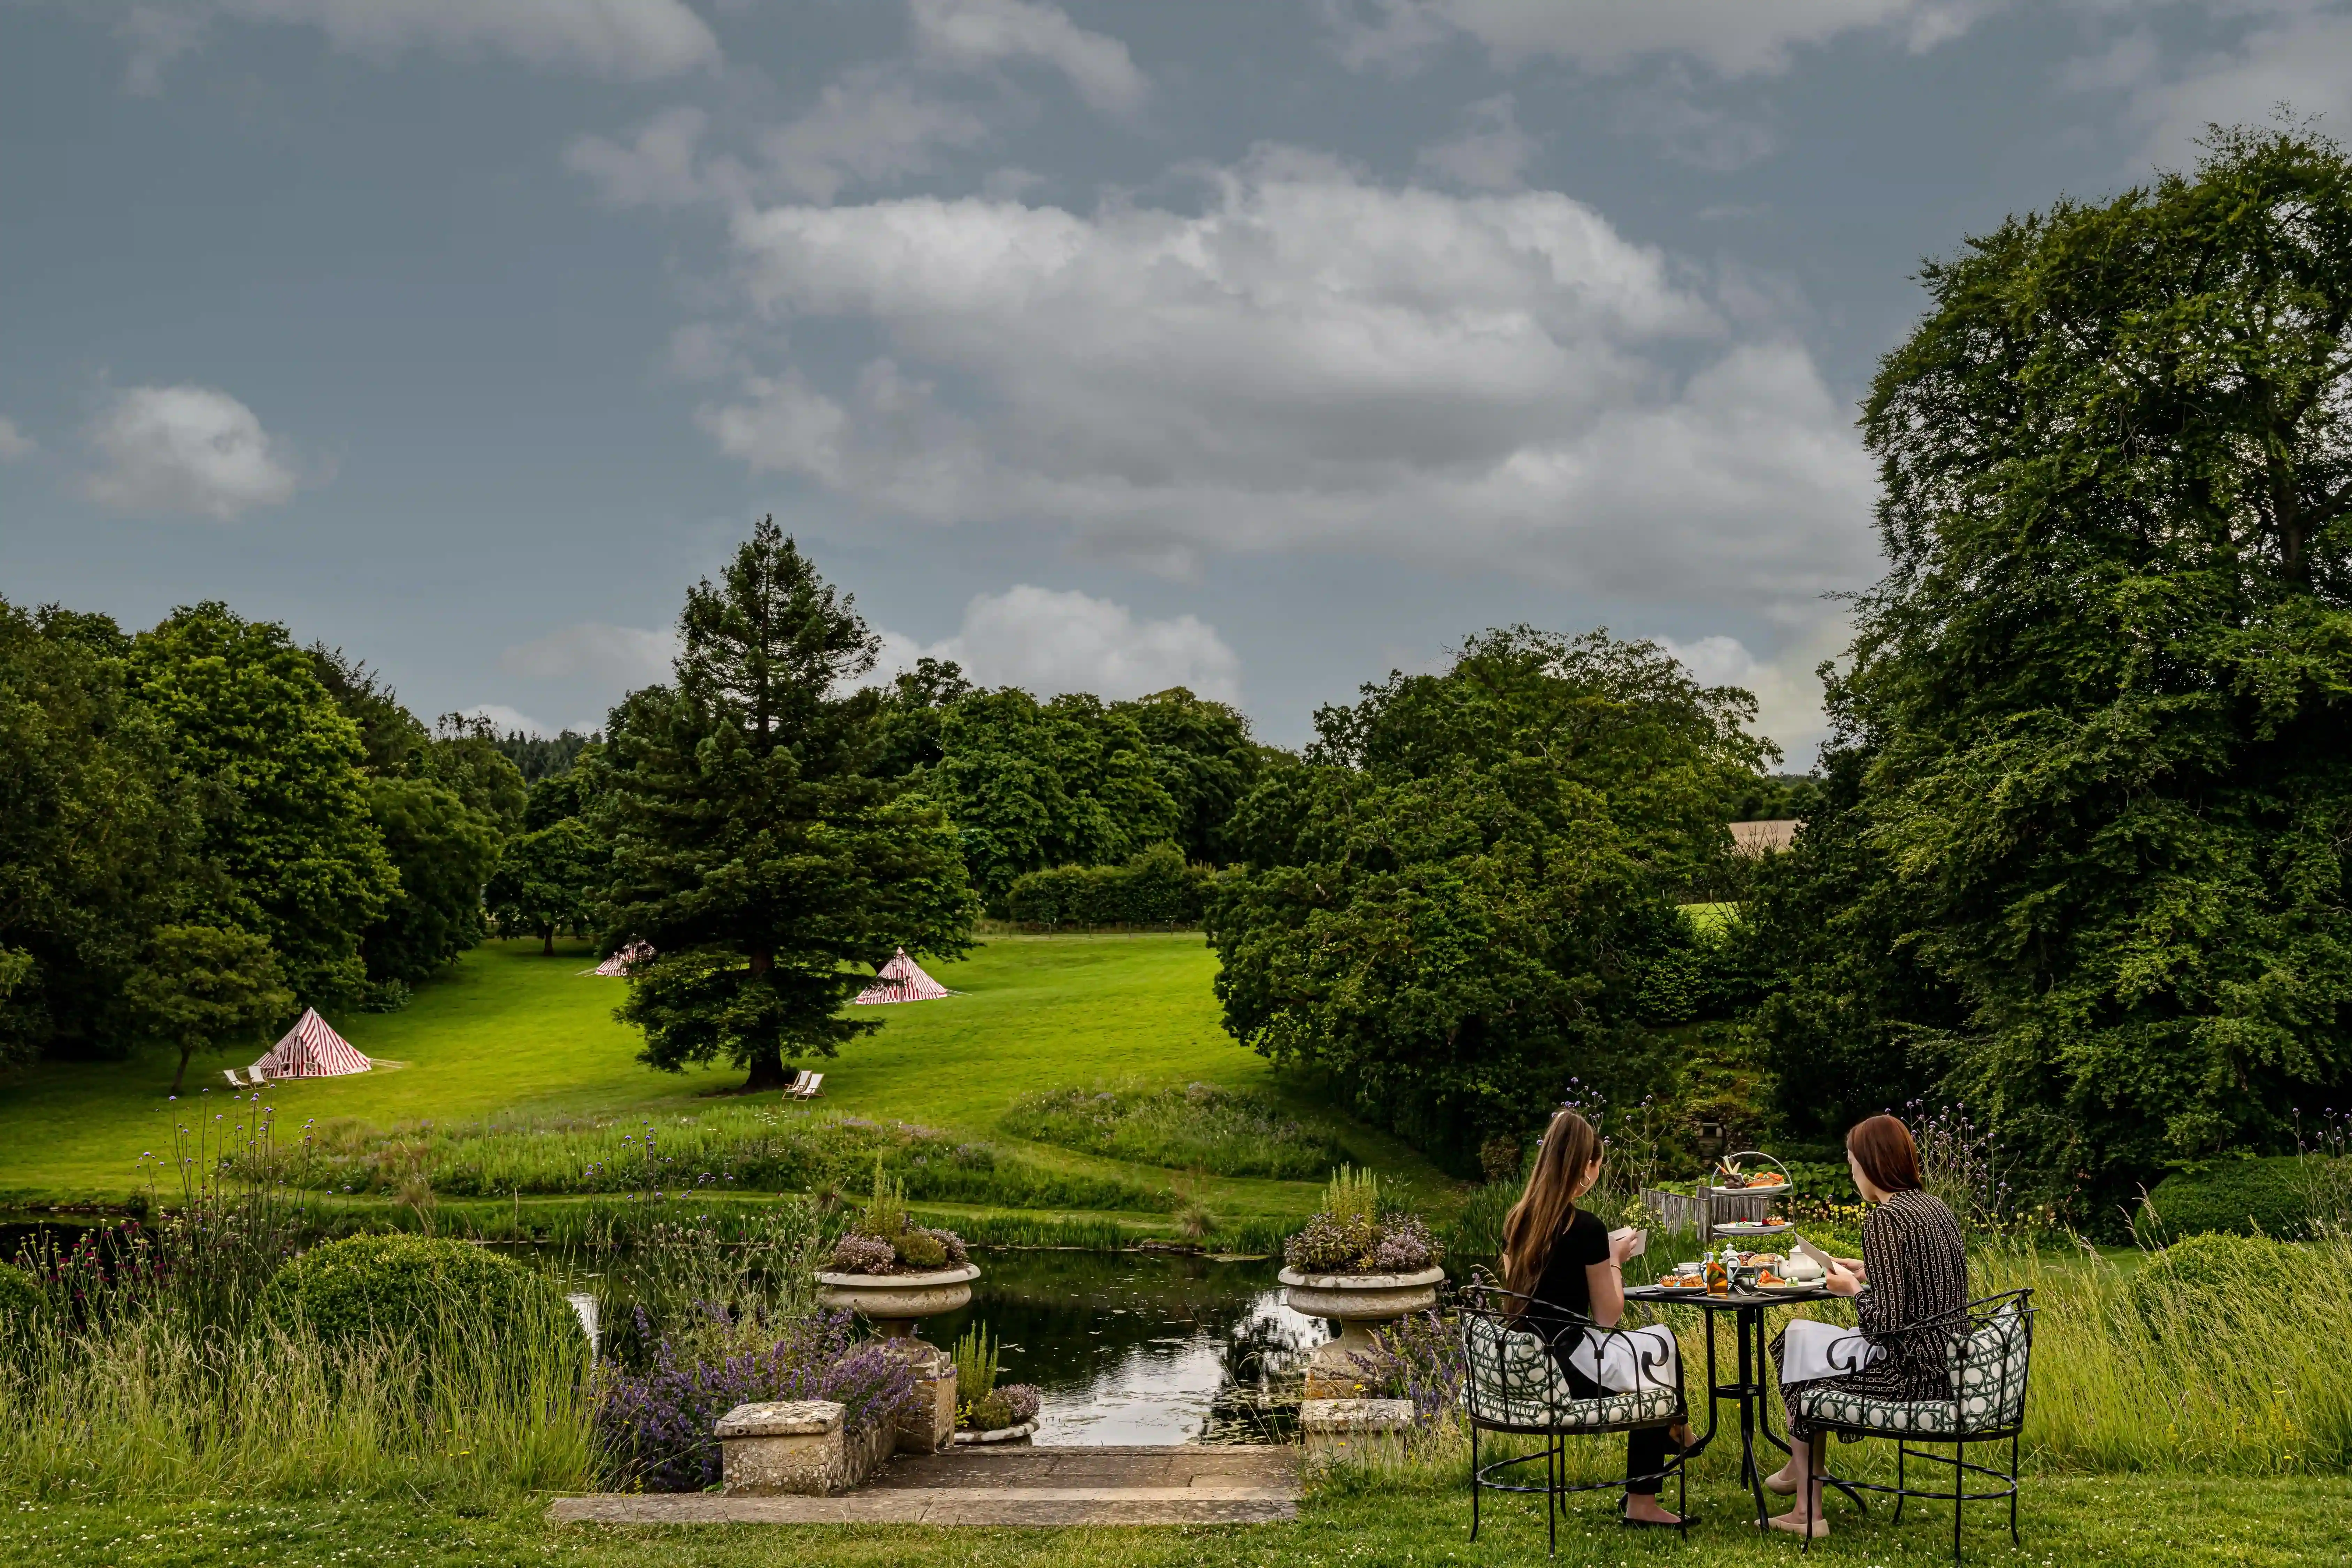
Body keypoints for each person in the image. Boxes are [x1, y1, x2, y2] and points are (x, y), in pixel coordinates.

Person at [1763, 1113, 1968, 1538]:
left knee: (1800, 1370)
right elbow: (1920, 1290)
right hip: (1949, 1362)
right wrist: (1872, 1271)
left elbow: (1886, 1326)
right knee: (1797, 1338)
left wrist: (1853, 1290)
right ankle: (1803, 1473)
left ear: (1872, 1164)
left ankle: (1807, 1509)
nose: (1853, 1173)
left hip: (1914, 1377)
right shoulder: (1934, 1208)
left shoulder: (1885, 1220)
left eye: (1853, 1163)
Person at [1501, 1107, 1693, 1528]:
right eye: (1598, 1166)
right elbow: (1608, 1316)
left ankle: (1676, 1430)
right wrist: (1616, 1259)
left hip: (1524, 1363)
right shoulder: (1585, 1228)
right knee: (1659, 1351)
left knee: (1649, 1353)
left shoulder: (1518, 1220)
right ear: (1586, 1167)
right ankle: (1654, 1476)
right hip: (1567, 1368)